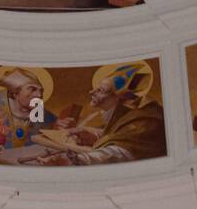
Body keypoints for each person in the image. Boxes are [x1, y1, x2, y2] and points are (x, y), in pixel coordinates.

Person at [27, 62, 166, 166]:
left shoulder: (145, 120)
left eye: (101, 90)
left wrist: (75, 159)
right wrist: (93, 136)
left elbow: (118, 153)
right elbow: (121, 135)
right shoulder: (125, 115)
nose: (91, 92)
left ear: (120, 98)